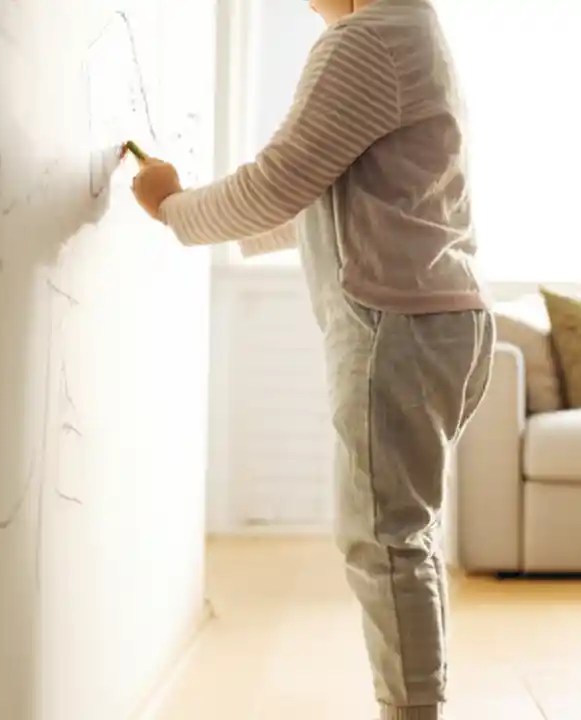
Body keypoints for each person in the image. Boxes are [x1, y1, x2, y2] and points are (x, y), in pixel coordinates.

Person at [131, 1, 490, 718]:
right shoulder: (413, 30)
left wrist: (172, 208)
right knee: (404, 536)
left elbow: (276, 183)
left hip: (395, 326)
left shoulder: (365, 39)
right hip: (443, 319)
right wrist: (212, 218)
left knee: (385, 542)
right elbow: (335, 192)